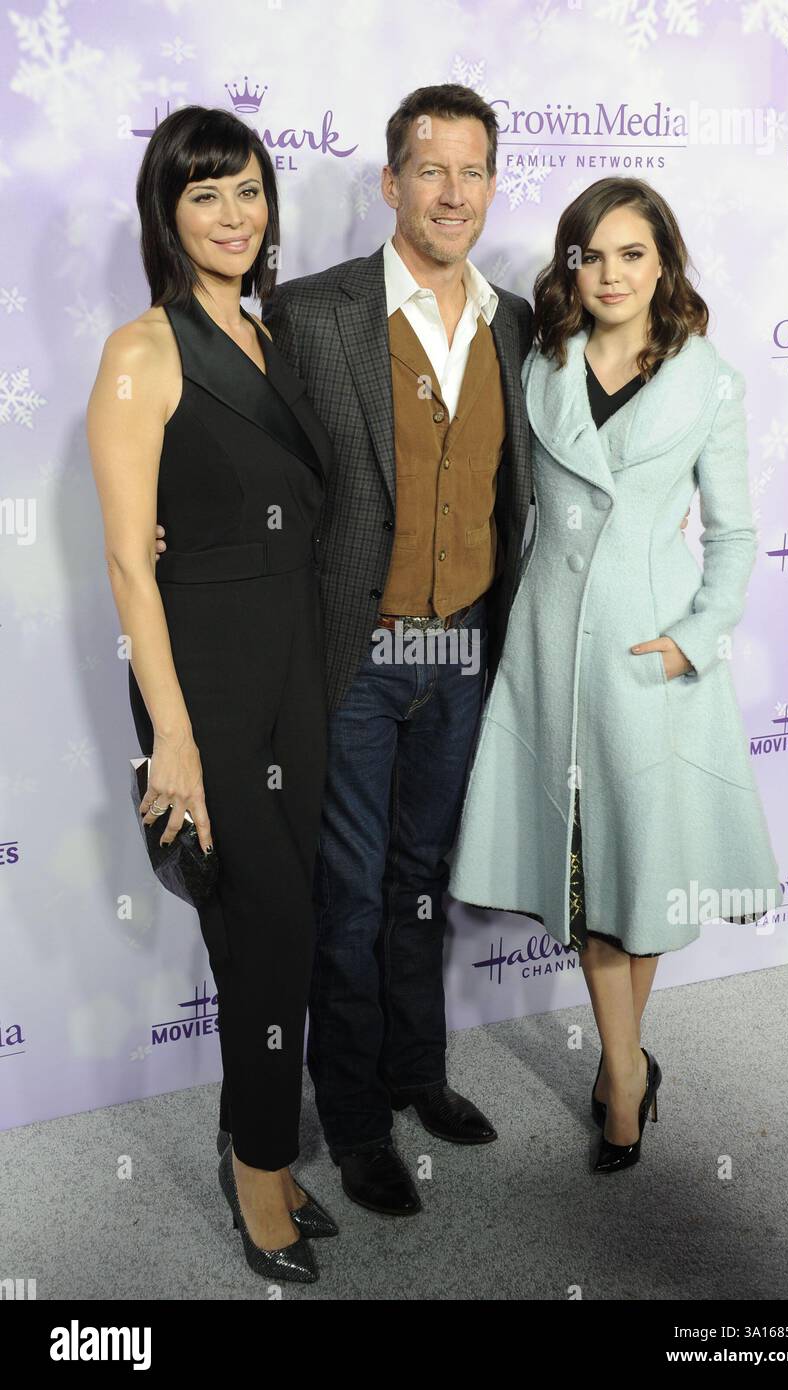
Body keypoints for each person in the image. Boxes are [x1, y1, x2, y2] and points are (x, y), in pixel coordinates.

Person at [157, 84, 535, 1216]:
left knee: (424, 882)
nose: (452, 193)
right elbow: (230, 435)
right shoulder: (311, 313)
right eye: (430, 170)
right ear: (390, 183)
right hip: (353, 653)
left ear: (489, 185)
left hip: (465, 650)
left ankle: (421, 1075)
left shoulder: (514, 320)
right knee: (352, 890)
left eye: (472, 172)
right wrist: (173, 520)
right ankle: (358, 1118)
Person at [447, 177, 784, 1174]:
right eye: (588, 255)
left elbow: (731, 532)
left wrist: (694, 636)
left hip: (651, 658)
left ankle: (619, 1068)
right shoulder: (535, 362)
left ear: (663, 263)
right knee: (588, 872)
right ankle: (626, 1071)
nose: (607, 273)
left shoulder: (707, 378)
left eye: (629, 253)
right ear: (568, 269)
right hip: (552, 650)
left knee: (640, 870)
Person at [87, 105, 337, 1281]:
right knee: (264, 925)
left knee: (282, 923)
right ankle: (259, 1179)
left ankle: (261, 1138)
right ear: (166, 214)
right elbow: (131, 561)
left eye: (247, 190)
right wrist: (171, 739)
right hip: (209, 684)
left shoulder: (270, 334)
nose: (234, 216)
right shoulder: (143, 350)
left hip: (293, 657)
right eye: (205, 196)